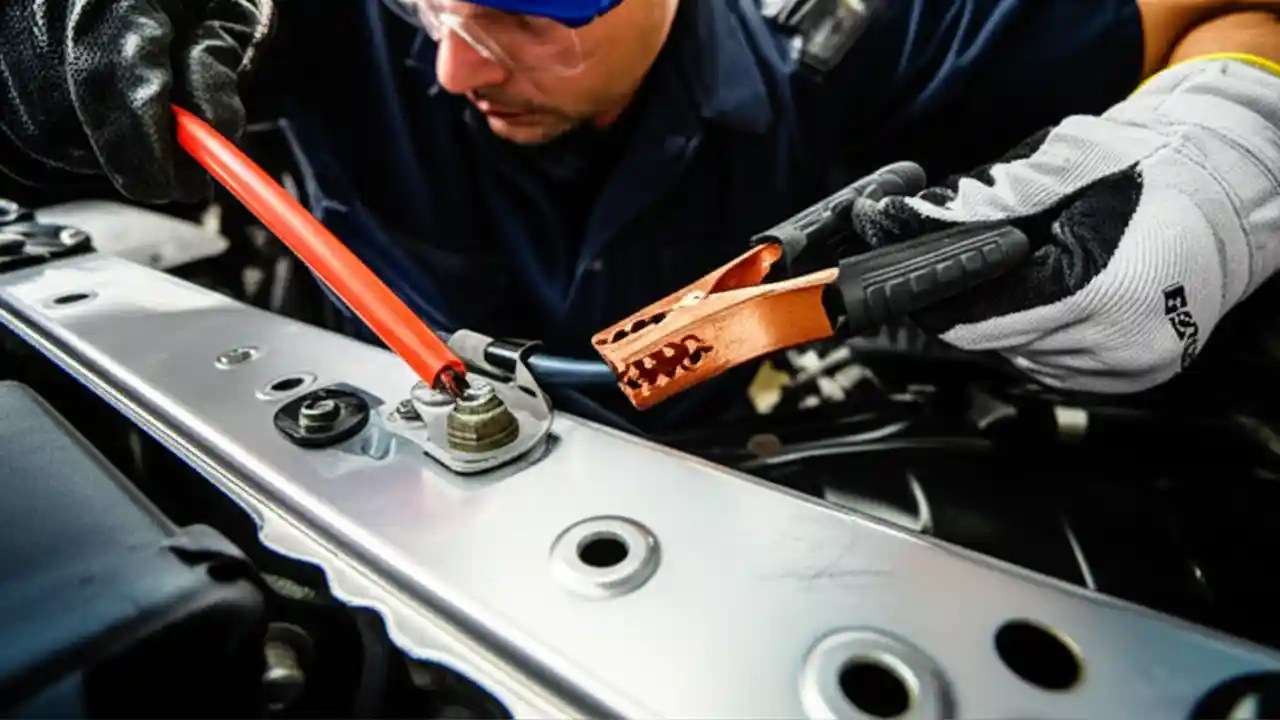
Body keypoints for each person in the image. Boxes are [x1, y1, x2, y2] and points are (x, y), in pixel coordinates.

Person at [2, 0, 1279, 430]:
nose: (453, 69)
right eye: (426, 9)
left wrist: (1215, 151)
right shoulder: (309, 30)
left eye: (522, 13)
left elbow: (1230, 14)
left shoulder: (860, 36)